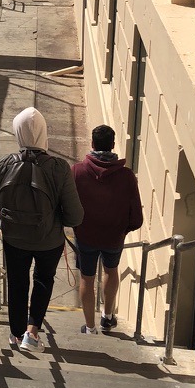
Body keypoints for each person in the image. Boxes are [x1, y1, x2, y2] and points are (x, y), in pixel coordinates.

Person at [0, 107, 83, 352]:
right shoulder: (59, 168)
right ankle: (32, 332)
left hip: (14, 239)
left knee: (17, 282)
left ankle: (15, 333)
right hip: (49, 240)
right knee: (44, 280)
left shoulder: (4, 164)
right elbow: (75, 216)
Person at [71, 124, 143, 334]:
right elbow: (136, 216)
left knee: (87, 277)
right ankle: (108, 316)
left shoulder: (77, 171)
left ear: (92, 144)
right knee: (111, 270)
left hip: (85, 235)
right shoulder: (127, 176)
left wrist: (75, 224)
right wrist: (123, 230)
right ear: (112, 145)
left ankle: (90, 327)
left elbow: (68, 204)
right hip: (114, 236)